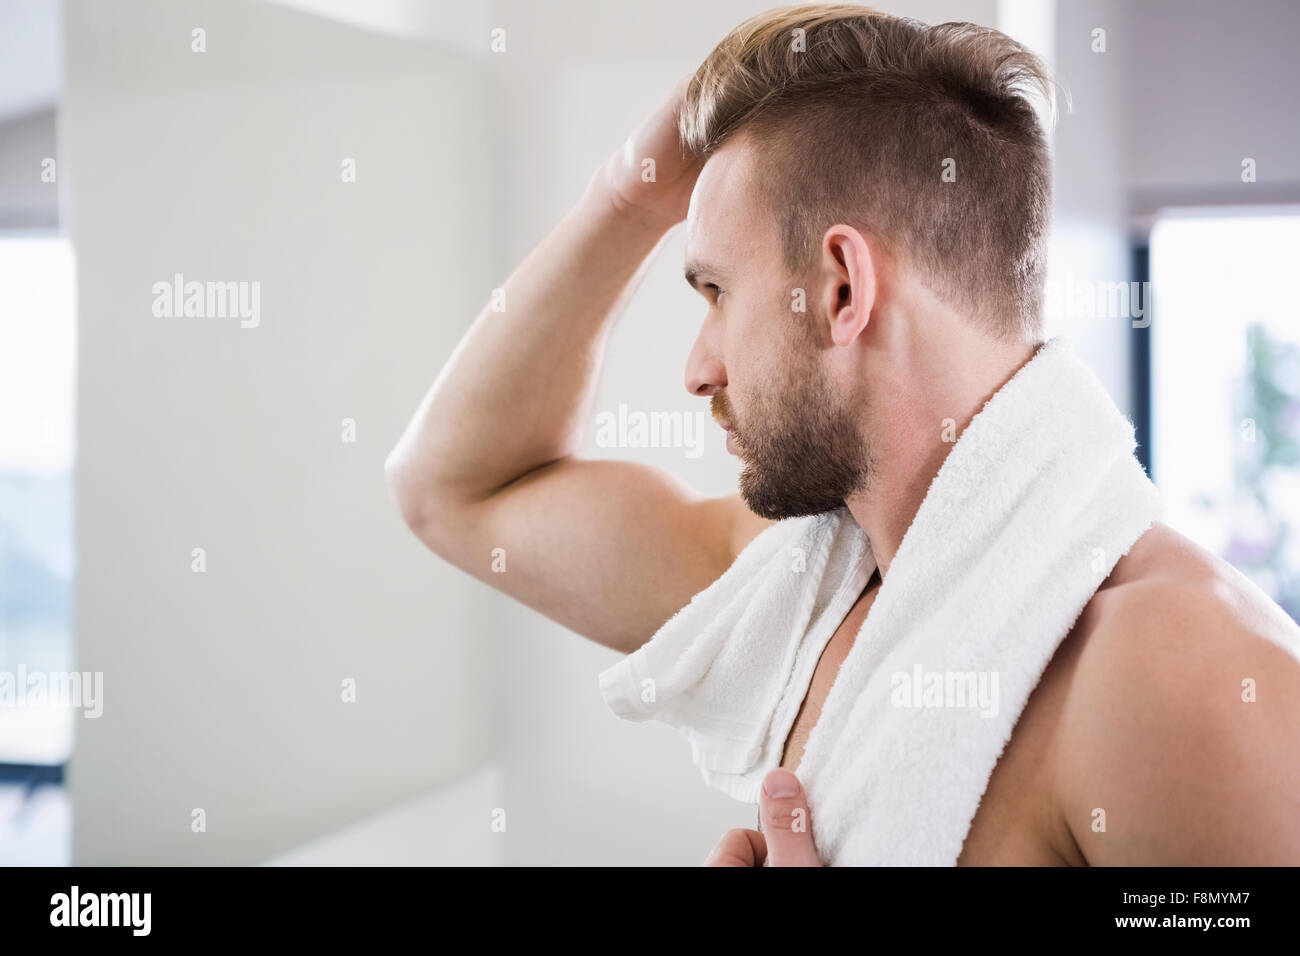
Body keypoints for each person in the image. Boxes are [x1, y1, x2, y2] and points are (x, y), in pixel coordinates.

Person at [386, 4, 1300, 865]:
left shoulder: (1179, 681)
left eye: (715, 293)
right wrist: (629, 193)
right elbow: (451, 490)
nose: (697, 370)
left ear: (841, 289)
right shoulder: (798, 589)